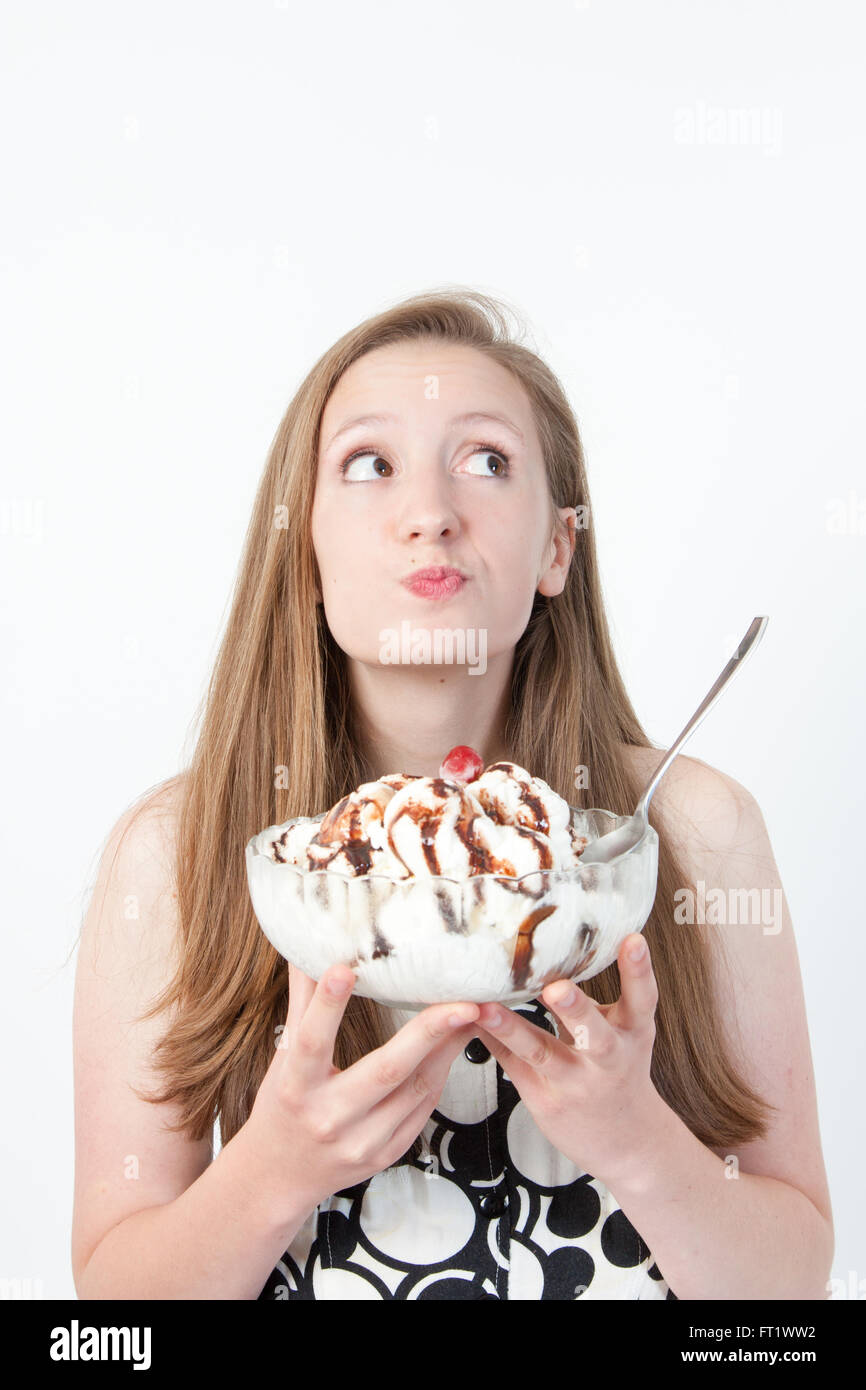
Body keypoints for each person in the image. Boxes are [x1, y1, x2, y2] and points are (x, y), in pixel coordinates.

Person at [71, 288, 833, 1300]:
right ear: (302, 548)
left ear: (558, 546)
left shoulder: (686, 832)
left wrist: (642, 1146)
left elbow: (789, 1300)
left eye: (485, 461)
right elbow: (114, 1312)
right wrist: (272, 1172)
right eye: (368, 464)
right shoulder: (182, 849)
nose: (429, 513)